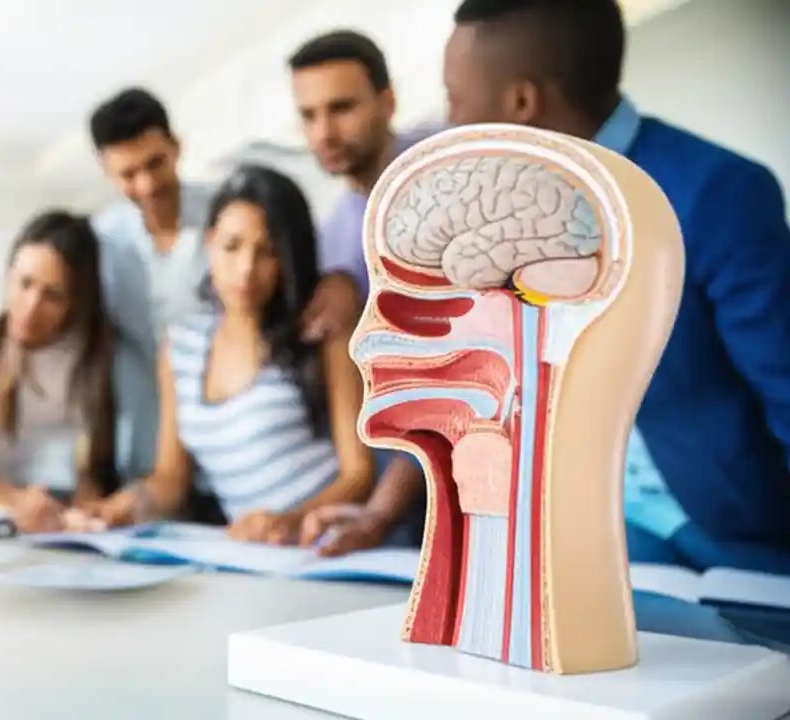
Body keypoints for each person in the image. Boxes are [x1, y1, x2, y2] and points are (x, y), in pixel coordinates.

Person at [440, 0, 790, 572]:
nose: (450, 119)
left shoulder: (717, 194)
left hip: (724, 542)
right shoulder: (500, 218)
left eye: (454, 97)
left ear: (522, 103)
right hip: (570, 526)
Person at [88, 88, 361, 520]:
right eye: (128, 173)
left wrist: (343, 280)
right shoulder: (101, 244)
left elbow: (307, 269)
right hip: (175, 444)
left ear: (176, 148)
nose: (146, 185)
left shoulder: (233, 208)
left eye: (155, 163)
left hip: (285, 502)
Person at [287, 30, 442, 551]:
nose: (323, 132)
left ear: (388, 101)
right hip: (398, 473)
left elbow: (453, 361)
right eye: (308, 116)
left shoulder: (446, 166)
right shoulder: (332, 239)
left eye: (342, 108)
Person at [0, 210, 118, 533]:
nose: (30, 307)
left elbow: (89, 466)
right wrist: (18, 505)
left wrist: (83, 511)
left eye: (53, 296)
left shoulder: (93, 356)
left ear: (77, 301)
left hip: (53, 504)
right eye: (24, 284)